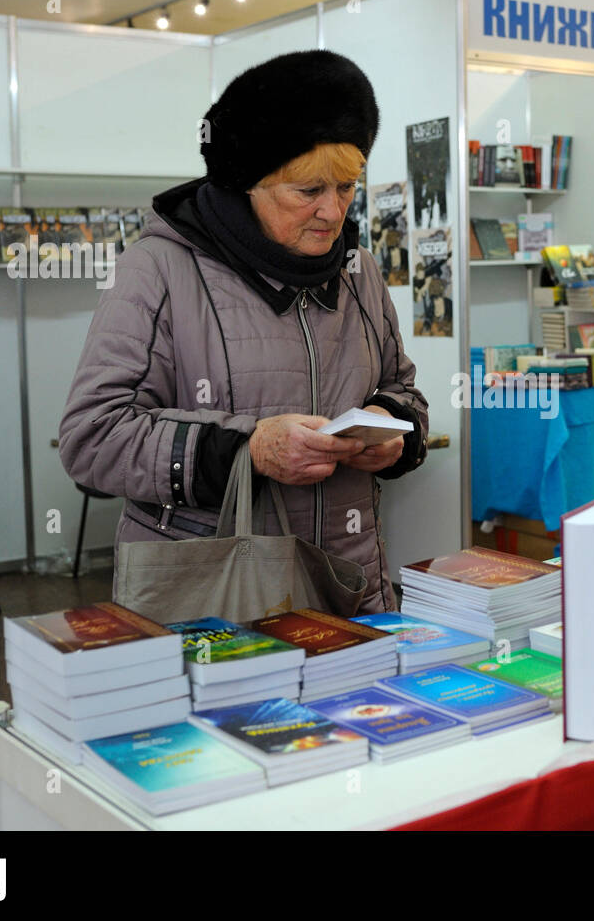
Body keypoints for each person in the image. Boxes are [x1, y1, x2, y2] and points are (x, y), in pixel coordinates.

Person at [59, 50, 428, 614]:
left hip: (350, 590)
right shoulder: (157, 269)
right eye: (308, 191)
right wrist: (246, 450)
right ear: (246, 184)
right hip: (213, 606)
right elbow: (93, 437)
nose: (333, 212)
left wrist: (388, 429)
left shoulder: (360, 270)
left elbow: (405, 391)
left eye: (347, 187)